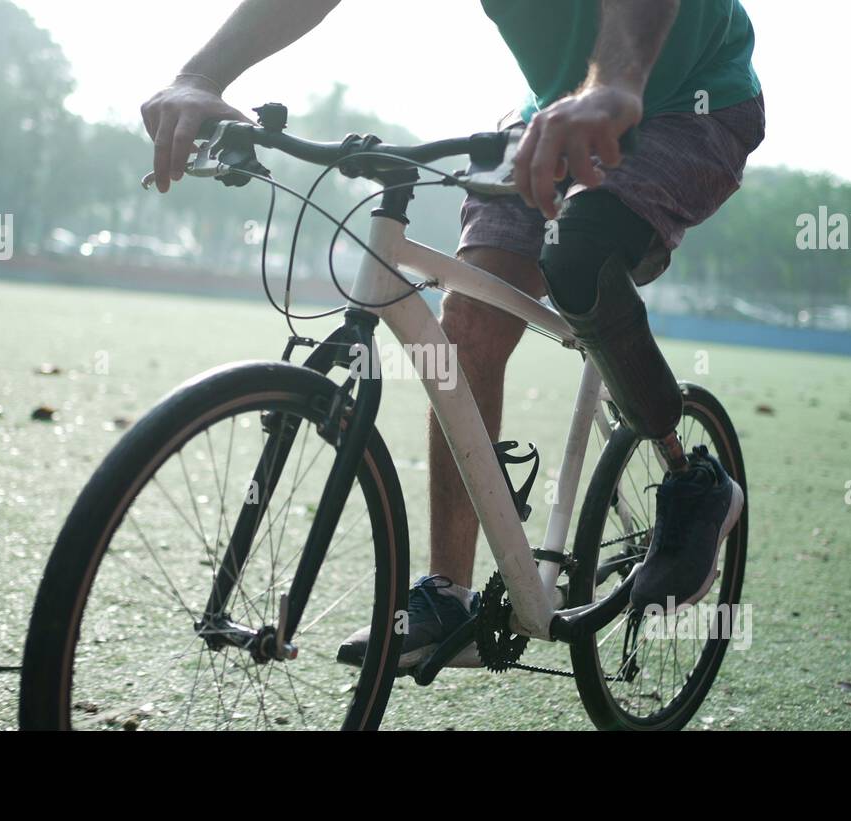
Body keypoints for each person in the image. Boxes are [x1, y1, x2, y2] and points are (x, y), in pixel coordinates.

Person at [141, 0, 765, 670]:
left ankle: (690, 473)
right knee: (464, 323)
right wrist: (201, 76)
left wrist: (614, 85)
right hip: (556, 109)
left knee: (579, 257)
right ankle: (450, 595)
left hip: (693, 104)